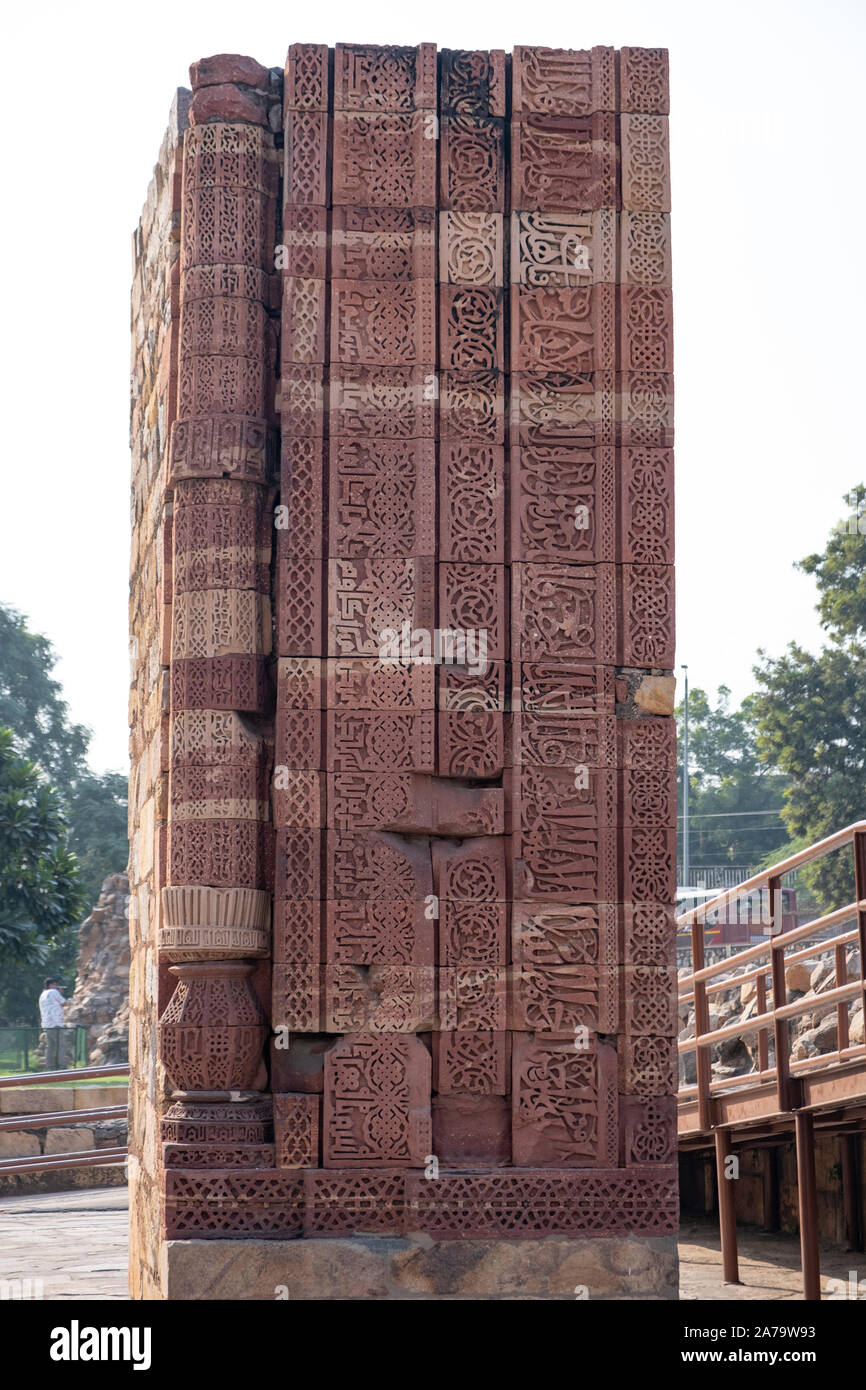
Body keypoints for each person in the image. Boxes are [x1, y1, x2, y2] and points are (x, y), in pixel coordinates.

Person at [39, 978, 66, 1071]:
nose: (56, 987)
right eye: (55, 985)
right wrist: (60, 993)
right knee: (61, 1045)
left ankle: (49, 1066)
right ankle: (62, 1066)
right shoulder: (54, 992)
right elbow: (64, 1003)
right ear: (51, 985)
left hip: (46, 1024)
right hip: (56, 1023)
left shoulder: (42, 994)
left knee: (50, 1046)